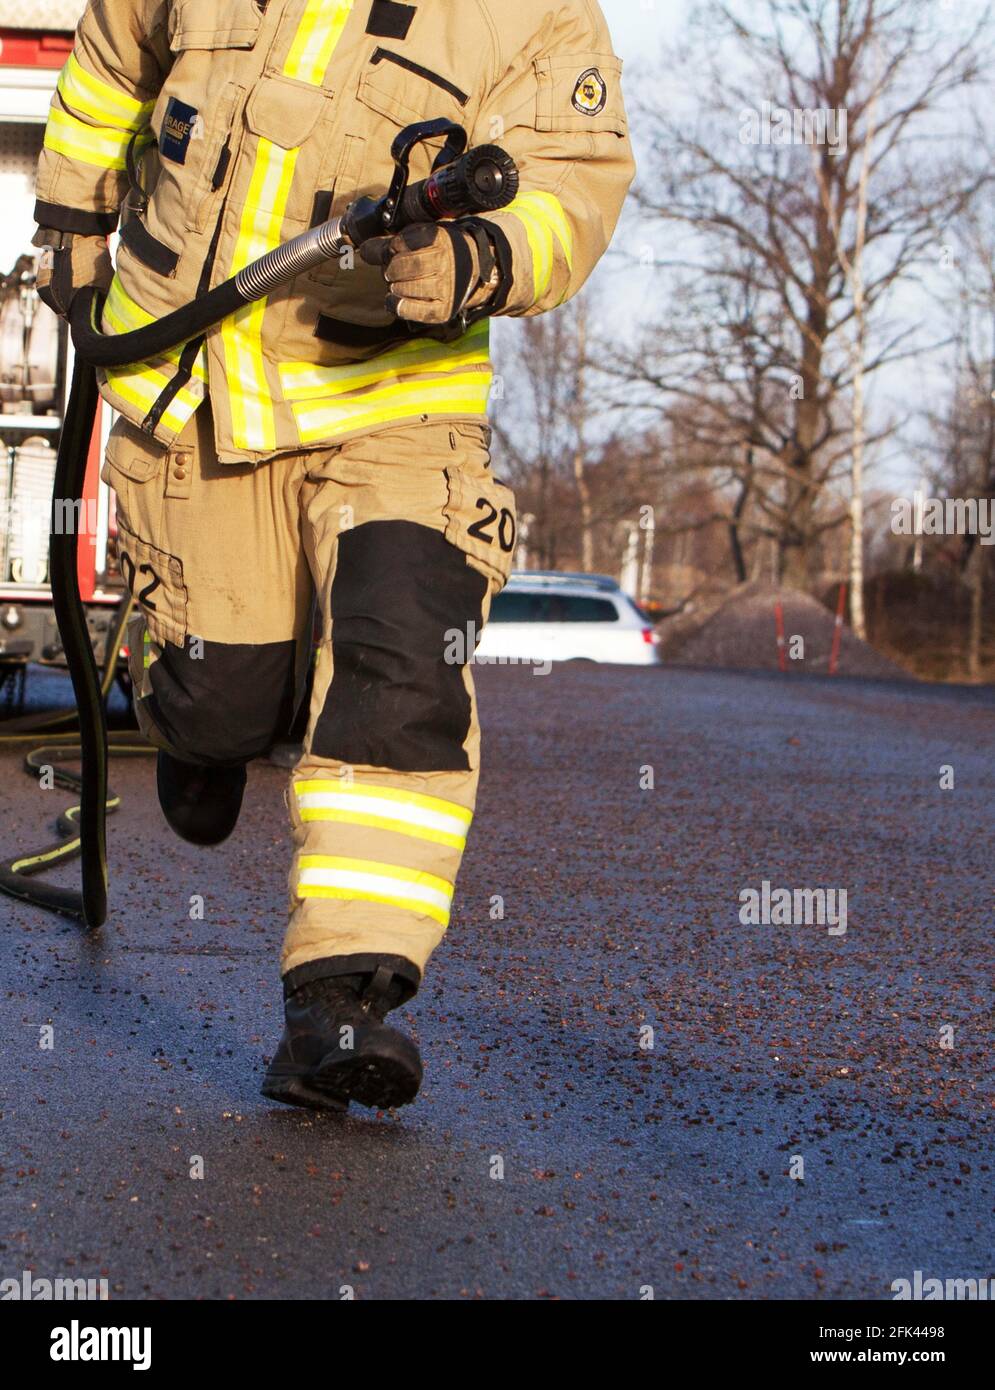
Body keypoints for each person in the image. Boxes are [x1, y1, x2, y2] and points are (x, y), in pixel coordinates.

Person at [33, 0, 635, 1112]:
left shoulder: (533, 12)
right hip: (194, 394)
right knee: (222, 701)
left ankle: (340, 1002)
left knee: (395, 675)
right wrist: (72, 214)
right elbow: (116, 54)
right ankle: (201, 722)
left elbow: (573, 177)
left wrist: (482, 257)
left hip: (394, 410)